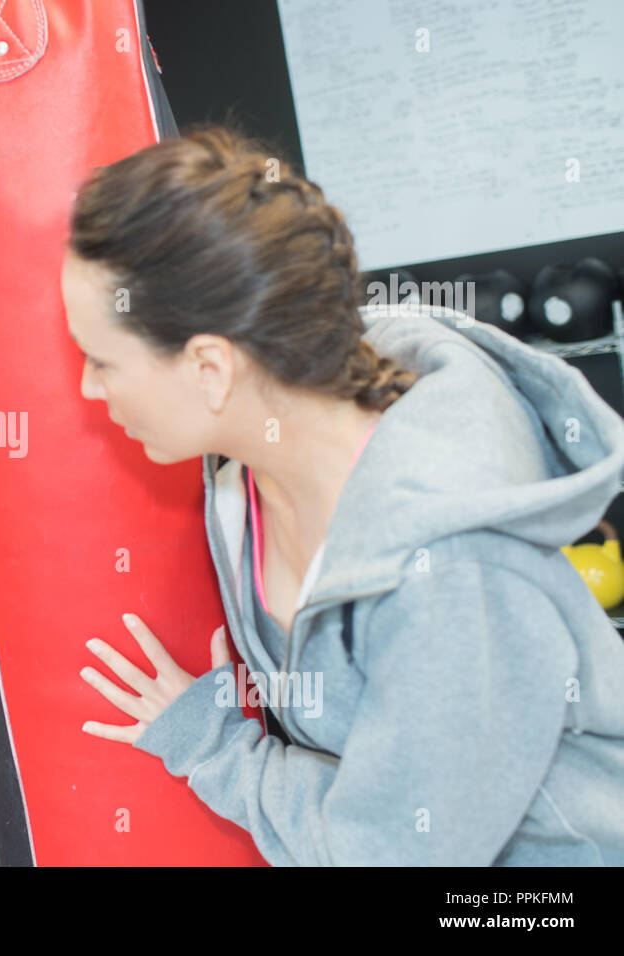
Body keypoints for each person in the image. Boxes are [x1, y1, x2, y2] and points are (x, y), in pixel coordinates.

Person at [67, 124, 624, 865]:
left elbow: (393, 854)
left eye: (103, 362)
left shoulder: (448, 567)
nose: (87, 388)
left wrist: (213, 745)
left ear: (209, 368)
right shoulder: (242, 478)